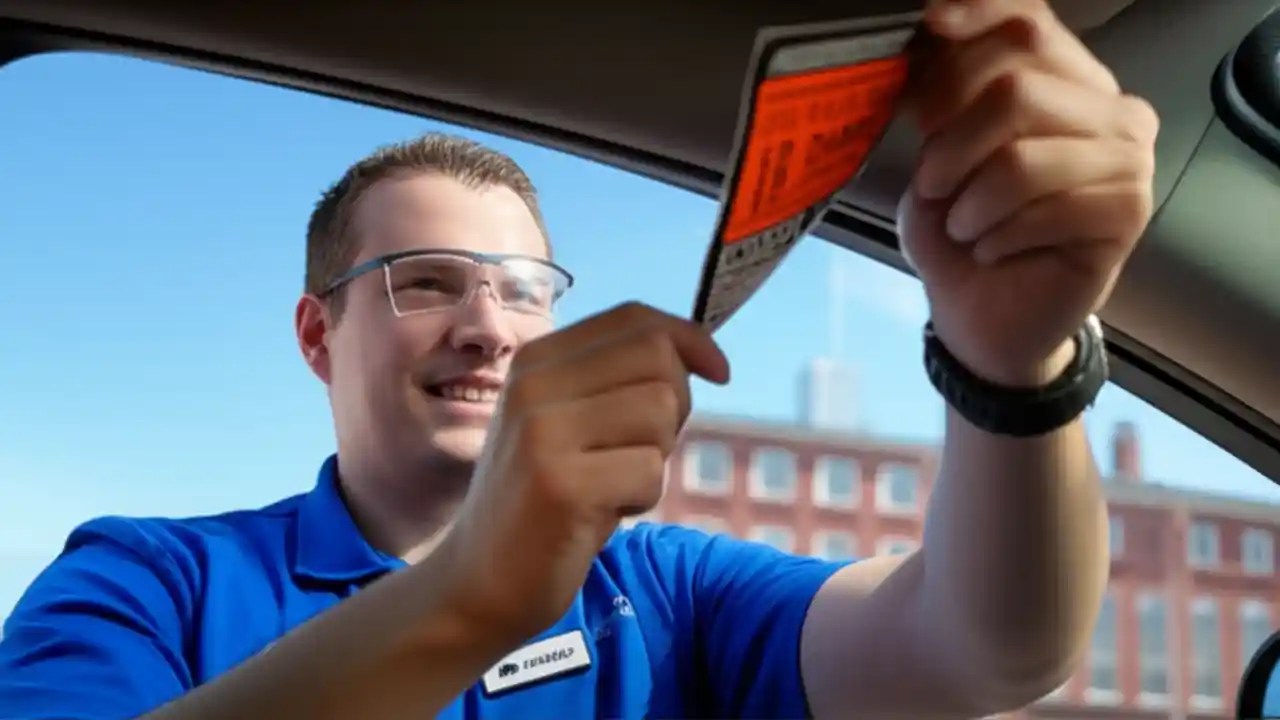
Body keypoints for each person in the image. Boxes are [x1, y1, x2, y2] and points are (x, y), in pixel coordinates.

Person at [0, 1, 1159, 718]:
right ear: (318, 335)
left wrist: (1012, 368)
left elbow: (979, 654)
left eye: (520, 290)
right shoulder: (146, 582)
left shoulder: (658, 588)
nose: (488, 324)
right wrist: (475, 593)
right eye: (428, 281)